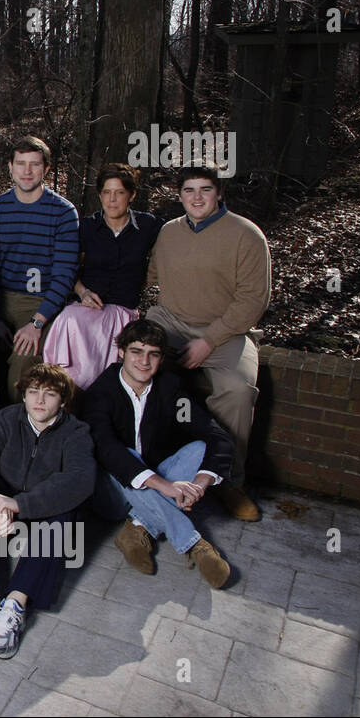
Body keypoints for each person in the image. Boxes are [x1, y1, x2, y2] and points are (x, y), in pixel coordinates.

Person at [146, 162, 270, 521]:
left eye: (204, 189)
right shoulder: (168, 233)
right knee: (136, 369)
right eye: (188, 190)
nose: (196, 197)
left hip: (226, 330)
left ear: (219, 193)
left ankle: (229, 481)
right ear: (179, 195)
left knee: (237, 391)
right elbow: (147, 274)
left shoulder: (246, 235)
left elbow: (252, 301)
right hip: (171, 321)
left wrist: (208, 342)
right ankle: (145, 469)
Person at [0, 364, 95, 659]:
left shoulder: (76, 432)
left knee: (69, 509)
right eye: (33, 392)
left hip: (40, 513)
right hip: (0, 513)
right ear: (24, 396)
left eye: (49, 394)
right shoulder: (10, 417)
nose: (40, 400)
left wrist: (19, 504)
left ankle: (15, 603)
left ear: (63, 401)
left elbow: (80, 479)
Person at [82, 319, 234, 587]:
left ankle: (138, 527)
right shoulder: (101, 391)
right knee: (125, 455)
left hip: (155, 477)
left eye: (153, 354)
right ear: (121, 352)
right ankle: (195, 544)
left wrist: (198, 485)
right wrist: (166, 487)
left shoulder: (170, 388)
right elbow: (107, 449)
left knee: (199, 448)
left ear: (162, 358)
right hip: (111, 493)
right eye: (136, 352)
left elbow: (216, 437)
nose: (144, 361)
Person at [0, 136, 80, 403]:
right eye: (20, 163)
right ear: (10, 167)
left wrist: (37, 322)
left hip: (42, 303)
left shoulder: (63, 212)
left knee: (22, 356)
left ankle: (16, 421)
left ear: (46, 169)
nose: (27, 171)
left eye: (34, 164)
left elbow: (64, 275)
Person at [43, 164, 163, 389]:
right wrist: (82, 291)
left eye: (119, 193)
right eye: (106, 193)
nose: (112, 200)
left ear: (132, 195)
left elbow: (168, 257)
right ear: (100, 195)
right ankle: (64, 393)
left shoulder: (148, 226)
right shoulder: (88, 227)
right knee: (68, 319)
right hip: (88, 308)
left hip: (124, 311)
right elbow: (65, 267)